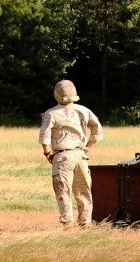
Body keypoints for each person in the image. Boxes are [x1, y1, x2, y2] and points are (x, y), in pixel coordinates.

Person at [38, 79, 103, 227]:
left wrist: (47, 153)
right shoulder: (84, 110)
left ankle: (67, 222)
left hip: (62, 156)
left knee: (62, 189)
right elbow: (97, 128)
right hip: (80, 155)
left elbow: (44, 136)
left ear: (56, 94)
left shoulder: (51, 114)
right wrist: (88, 147)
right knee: (83, 190)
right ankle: (85, 222)